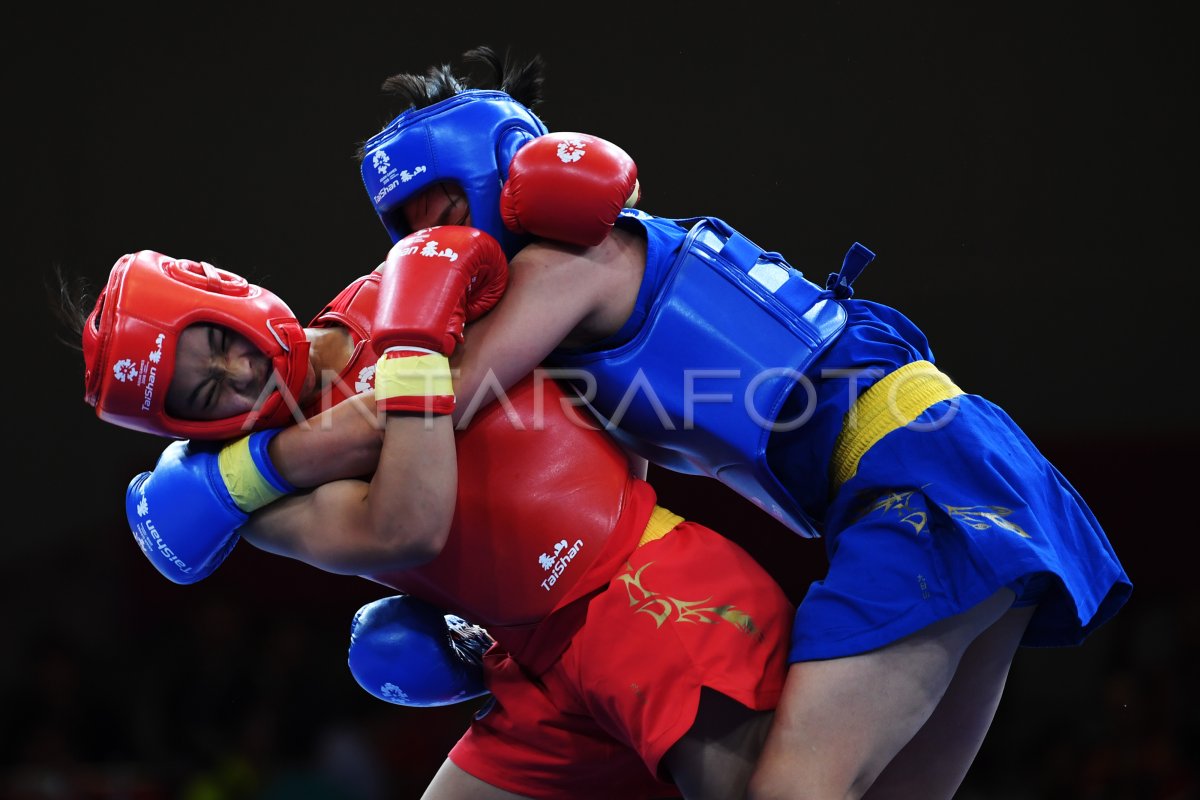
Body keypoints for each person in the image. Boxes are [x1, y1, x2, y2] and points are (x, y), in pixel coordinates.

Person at [349, 45, 1134, 799]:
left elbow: (437, 401)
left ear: (502, 172)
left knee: (793, 788)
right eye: (410, 223)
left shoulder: (564, 264)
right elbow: (603, 490)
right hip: (959, 466)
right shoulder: (583, 313)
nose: (435, 239)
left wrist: (258, 458)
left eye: (445, 206)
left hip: (921, 477)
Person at [68, 240, 797, 800]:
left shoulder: (394, 290)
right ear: (183, 426)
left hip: (643, 592)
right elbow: (405, 530)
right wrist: (411, 361)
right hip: (533, 670)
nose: (238, 374)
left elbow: (590, 312)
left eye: (219, 344)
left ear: (228, 293)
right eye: (204, 393)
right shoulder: (267, 508)